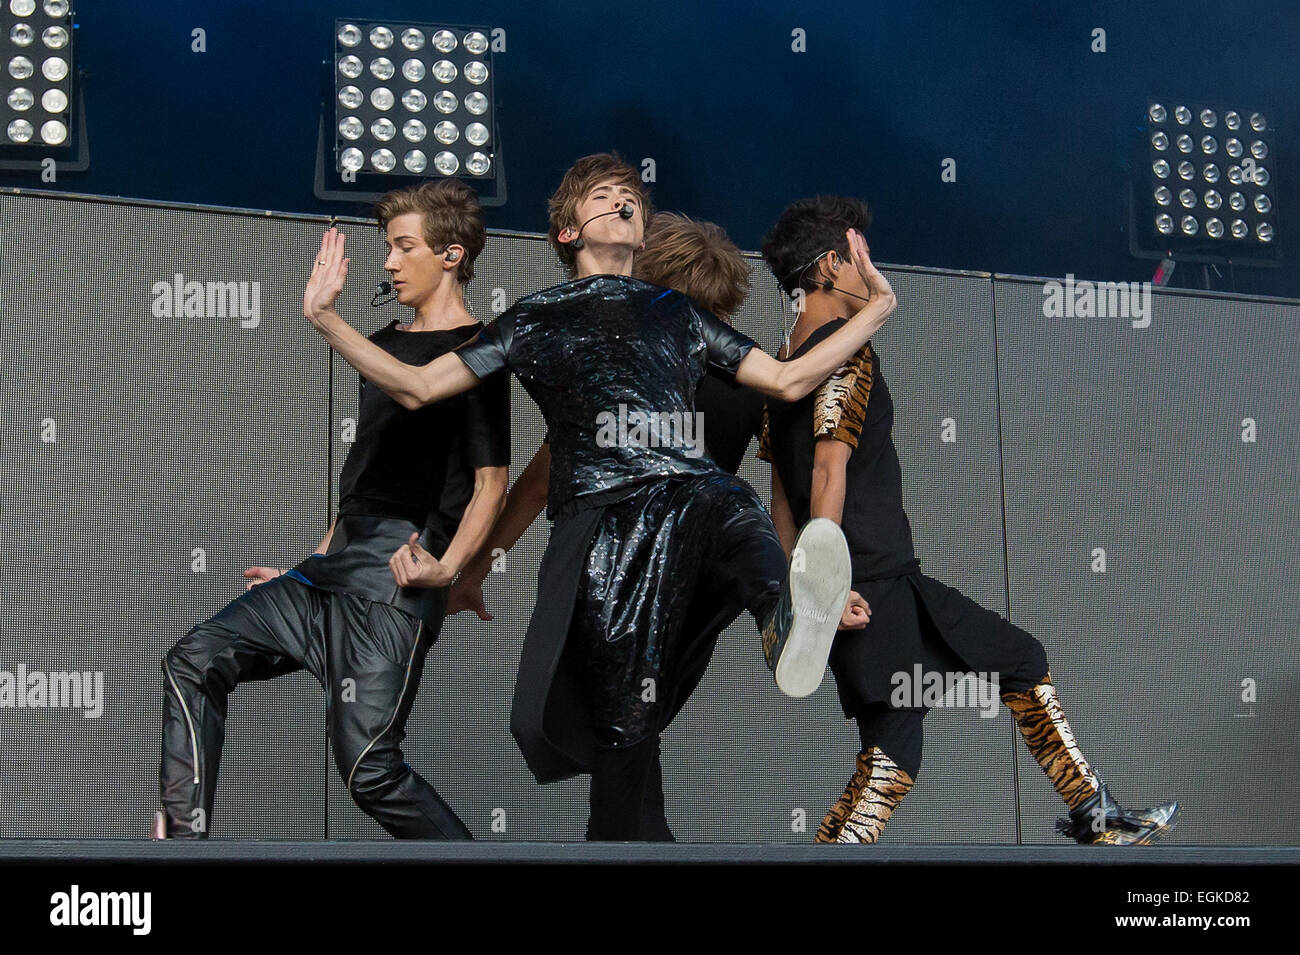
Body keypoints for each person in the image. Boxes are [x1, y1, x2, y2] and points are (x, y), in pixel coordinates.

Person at [302, 154, 896, 840]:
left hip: (685, 497)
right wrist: (329, 322)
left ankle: (787, 615)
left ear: (642, 232)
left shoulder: (677, 313)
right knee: (625, 736)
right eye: (603, 195)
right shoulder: (532, 319)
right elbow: (421, 387)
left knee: (730, 499)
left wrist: (878, 307)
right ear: (566, 233)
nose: (622, 202)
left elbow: (788, 381)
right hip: (602, 530)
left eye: (631, 198)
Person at [758, 194, 1180, 845]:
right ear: (829, 266)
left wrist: (806, 589)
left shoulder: (781, 366)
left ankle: (1094, 811)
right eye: (859, 255)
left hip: (869, 585)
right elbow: (824, 475)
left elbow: (780, 500)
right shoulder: (843, 356)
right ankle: (1095, 814)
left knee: (914, 735)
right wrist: (825, 587)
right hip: (872, 587)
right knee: (918, 737)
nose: (870, 269)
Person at [158, 179, 510, 839]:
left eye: (405, 247)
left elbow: (491, 482)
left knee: (369, 769)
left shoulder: (484, 350)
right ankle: (182, 843)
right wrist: (309, 564)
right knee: (194, 656)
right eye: (388, 247)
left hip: (395, 578)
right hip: (333, 570)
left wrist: (451, 570)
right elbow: (365, 479)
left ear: (452, 254)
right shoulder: (382, 342)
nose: (389, 262)